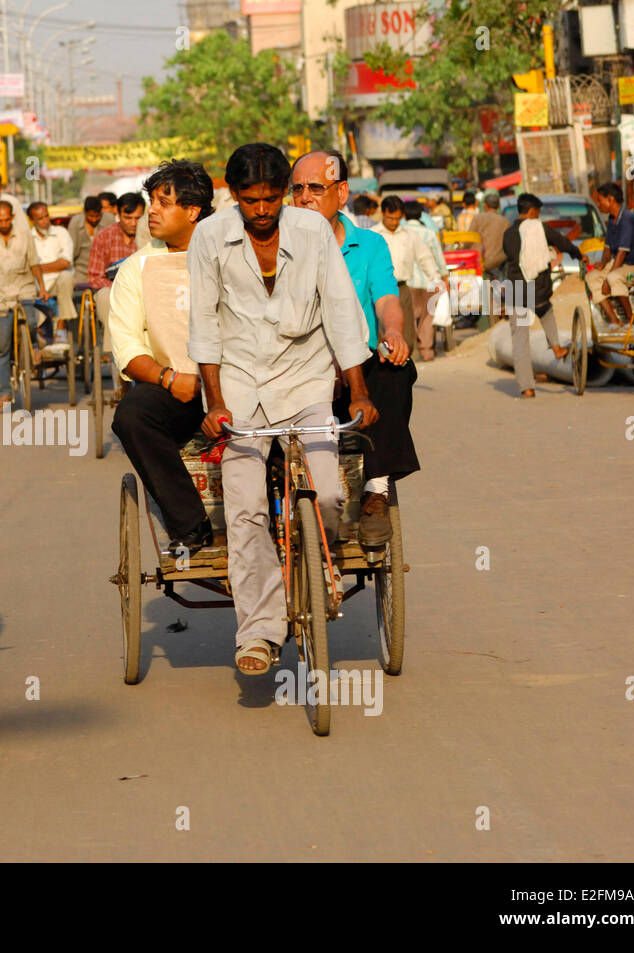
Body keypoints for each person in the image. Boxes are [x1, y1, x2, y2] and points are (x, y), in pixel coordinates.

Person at [188, 143, 376, 676]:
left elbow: (341, 311)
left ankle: (324, 563)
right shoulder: (209, 237)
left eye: (272, 199)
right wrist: (216, 403)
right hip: (240, 384)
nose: (263, 210)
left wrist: (358, 391)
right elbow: (203, 323)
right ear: (234, 196)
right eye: (252, 200)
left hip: (305, 377)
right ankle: (258, 633)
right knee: (244, 509)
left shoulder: (312, 232)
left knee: (331, 492)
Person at [291, 150, 417, 546]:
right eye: (297, 189)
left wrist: (393, 333)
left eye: (316, 187)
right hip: (301, 370)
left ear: (341, 192)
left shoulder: (370, 245)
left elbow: (386, 300)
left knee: (396, 367)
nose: (305, 197)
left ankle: (376, 492)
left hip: (358, 369)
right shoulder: (281, 244)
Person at [108, 160, 217, 553]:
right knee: (132, 416)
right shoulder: (136, 268)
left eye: (163, 203)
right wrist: (173, 380)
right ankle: (190, 524)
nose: (151, 210)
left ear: (193, 211)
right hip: (179, 386)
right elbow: (128, 349)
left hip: (238, 381)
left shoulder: (229, 252)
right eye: (150, 201)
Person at [501, 193, 588, 398]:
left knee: (520, 342)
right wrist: (578, 254)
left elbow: (509, 258)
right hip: (538, 289)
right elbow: (562, 242)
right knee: (546, 310)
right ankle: (557, 347)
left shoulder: (508, 234)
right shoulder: (539, 228)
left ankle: (527, 387)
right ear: (532, 212)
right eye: (537, 213)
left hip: (516, 291)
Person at [0, 200, 43, 409]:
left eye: (7, 219)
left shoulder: (24, 235)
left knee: (31, 321)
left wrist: (42, 286)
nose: (4, 224)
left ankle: (33, 345)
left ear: (12, 217)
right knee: (2, 345)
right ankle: (5, 390)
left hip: (23, 288)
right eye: (0, 220)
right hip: (0, 294)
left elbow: (34, 262)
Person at [376, 196, 440, 354]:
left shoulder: (409, 235)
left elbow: (425, 257)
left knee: (407, 335)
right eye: (390, 218)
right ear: (383, 214)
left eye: (397, 218)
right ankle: (384, 369)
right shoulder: (373, 234)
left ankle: (402, 364)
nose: (393, 222)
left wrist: (435, 278)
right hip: (378, 290)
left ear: (402, 216)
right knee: (382, 333)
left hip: (403, 289)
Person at [587, 181, 634, 328]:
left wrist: (606, 280)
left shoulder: (628, 219)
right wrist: (603, 263)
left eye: (600, 200)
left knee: (612, 277)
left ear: (610, 199)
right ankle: (613, 319)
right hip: (623, 265)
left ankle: (632, 322)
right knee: (591, 277)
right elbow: (608, 248)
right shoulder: (612, 220)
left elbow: (622, 253)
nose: (598, 204)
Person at [87, 192, 146, 351]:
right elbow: (95, 277)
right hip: (112, 290)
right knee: (105, 296)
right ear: (118, 215)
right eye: (128, 218)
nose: (133, 223)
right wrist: (119, 290)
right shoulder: (103, 237)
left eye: (138, 218)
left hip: (142, 290)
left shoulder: (150, 236)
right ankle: (112, 351)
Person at [402, 199, 450, 361]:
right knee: (427, 317)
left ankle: (412, 349)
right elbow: (438, 256)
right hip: (429, 281)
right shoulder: (429, 233)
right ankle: (427, 350)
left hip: (407, 282)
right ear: (421, 214)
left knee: (409, 317)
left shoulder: (402, 233)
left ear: (403, 215)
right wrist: (444, 276)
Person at [27, 201, 75, 340]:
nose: (45, 221)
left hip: (58, 283)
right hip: (35, 285)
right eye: (40, 218)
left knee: (67, 277)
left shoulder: (61, 233)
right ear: (32, 220)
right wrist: (50, 266)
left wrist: (37, 268)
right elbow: (27, 267)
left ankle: (61, 325)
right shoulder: (28, 238)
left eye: (46, 216)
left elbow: (65, 262)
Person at [67, 195, 113, 288]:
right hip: (81, 271)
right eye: (91, 216)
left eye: (97, 216)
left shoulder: (109, 220)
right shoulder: (75, 223)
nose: (94, 219)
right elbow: (71, 251)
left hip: (104, 272)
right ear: (85, 212)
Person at [468, 191, 510, 281]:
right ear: (498, 206)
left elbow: (469, 239)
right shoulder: (505, 221)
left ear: (485, 205)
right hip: (498, 263)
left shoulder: (478, 218)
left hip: (479, 262)